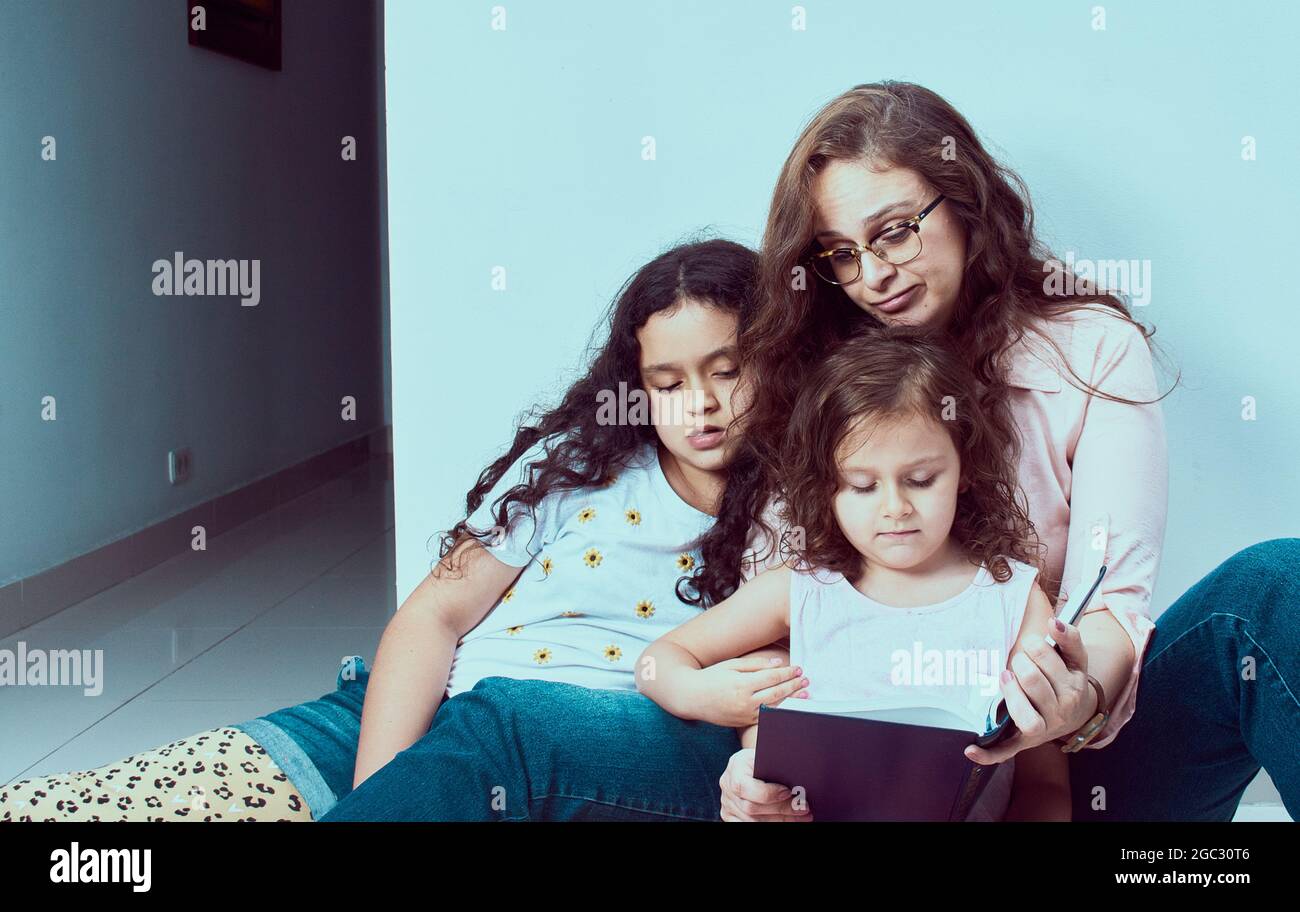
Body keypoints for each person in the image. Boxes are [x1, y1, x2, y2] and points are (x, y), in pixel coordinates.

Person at [323, 81, 1298, 823]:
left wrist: (1068, 696)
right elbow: (781, 618)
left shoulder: (1087, 353)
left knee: (1272, 591)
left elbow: (1109, 607)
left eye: (896, 232)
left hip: (1051, 759)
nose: (871, 274)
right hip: (837, 763)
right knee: (515, 726)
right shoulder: (815, 370)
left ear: (964, 202)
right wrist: (756, 758)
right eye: (839, 252)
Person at [0, 238, 800, 822]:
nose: (700, 403)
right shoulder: (579, 462)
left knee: (506, 722)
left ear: (772, 358)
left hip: (552, 740)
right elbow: (434, 615)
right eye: (667, 382)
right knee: (101, 813)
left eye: (726, 371)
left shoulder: (800, 506)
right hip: (417, 719)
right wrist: (387, 787)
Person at [638, 327, 1074, 821]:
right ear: (827, 489)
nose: (895, 508)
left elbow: (1045, 784)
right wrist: (709, 701)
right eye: (862, 486)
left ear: (965, 467)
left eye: (921, 480)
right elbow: (659, 661)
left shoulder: (1014, 599)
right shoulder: (801, 588)